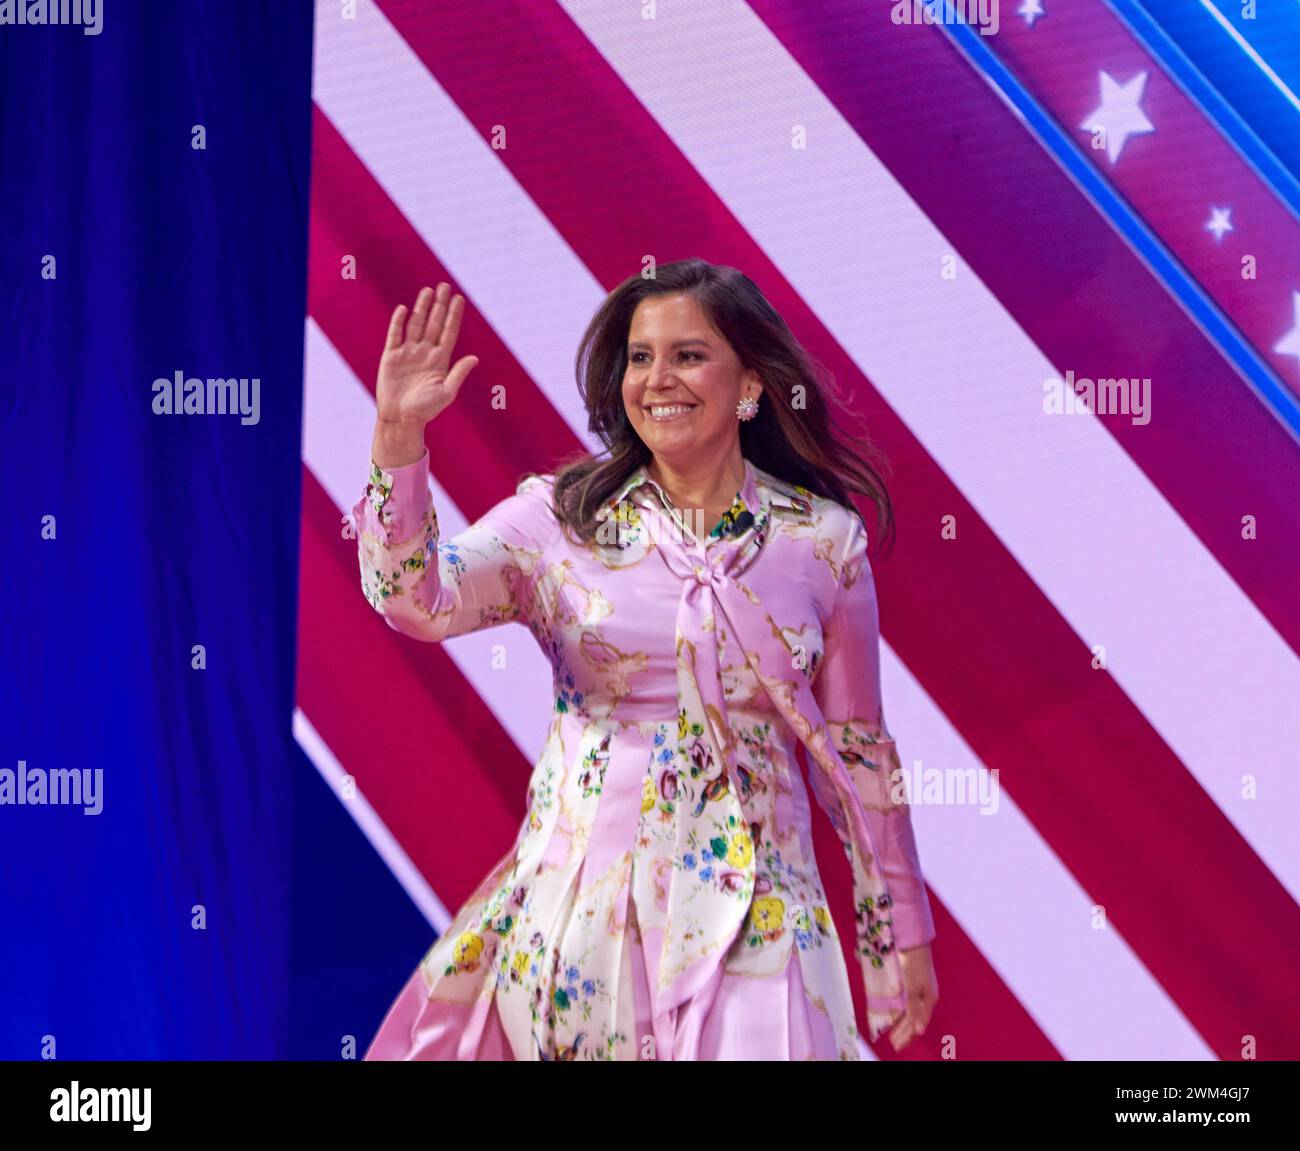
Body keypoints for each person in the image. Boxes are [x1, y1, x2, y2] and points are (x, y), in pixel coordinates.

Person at [354, 260, 938, 1061]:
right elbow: (411, 597)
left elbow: (861, 750)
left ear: (751, 384)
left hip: (765, 917)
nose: (657, 378)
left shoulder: (822, 542)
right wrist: (398, 441)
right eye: (639, 357)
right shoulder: (557, 518)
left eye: (689, 355)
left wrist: (899, 923)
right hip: (585, 919)